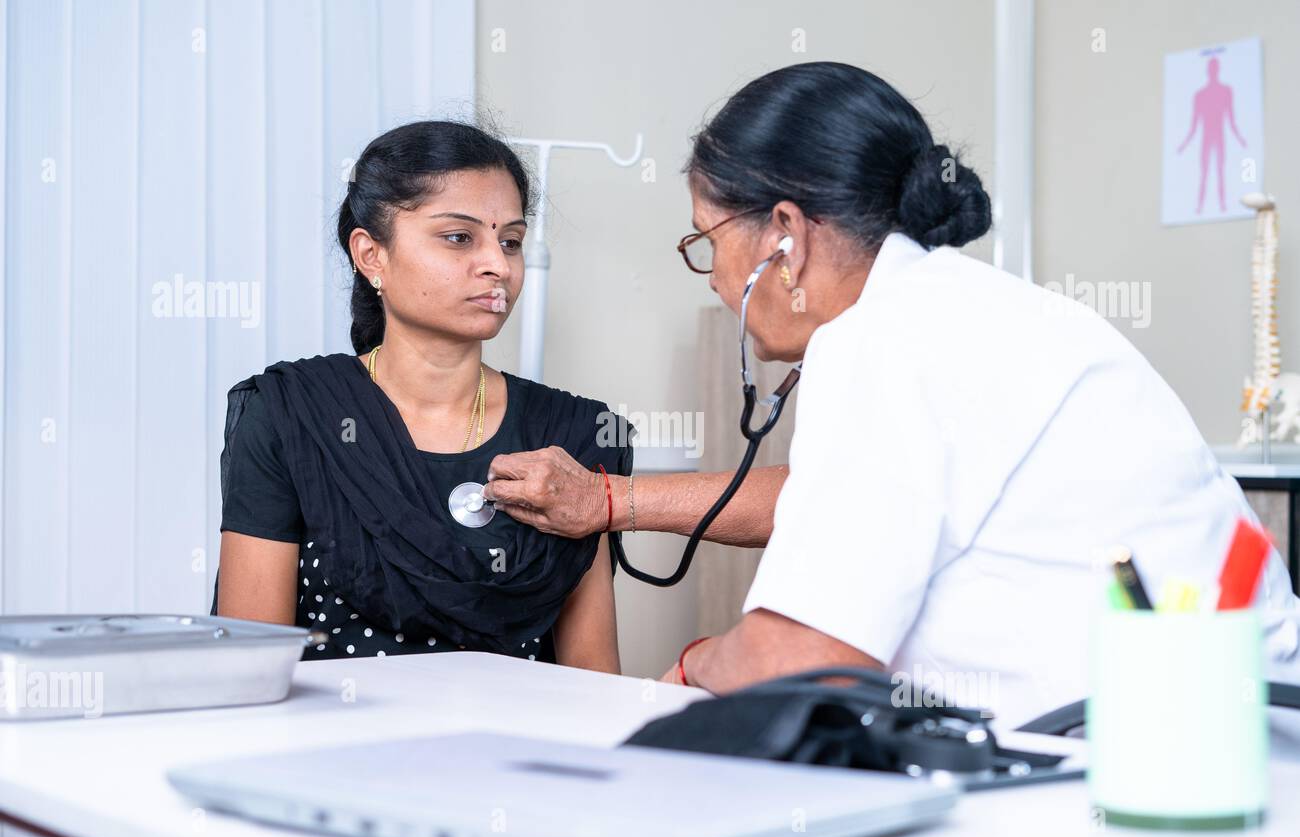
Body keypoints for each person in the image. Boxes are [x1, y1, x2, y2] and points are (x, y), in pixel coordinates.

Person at [482, 62, 1299, 728]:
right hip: (1232, 726)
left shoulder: (884, 338)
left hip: (1146, 756)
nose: (718, 278)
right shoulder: (962, 306)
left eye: (708, 239)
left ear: (784, 237)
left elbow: (805, 663)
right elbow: (836, 500)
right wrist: (608, 501)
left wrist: (694, 667)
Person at [213, 120, 631, 671]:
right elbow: (249, 675)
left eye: (510, 241)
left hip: (514, 752)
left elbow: (593, 685)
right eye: (459, 237)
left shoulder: (575, 432)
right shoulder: (291, 414)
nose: (498, 266)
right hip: (332, 751)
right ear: (371, 255)